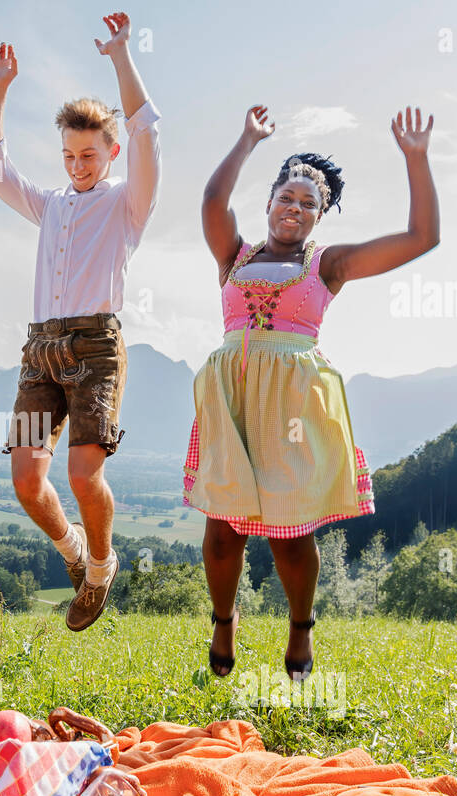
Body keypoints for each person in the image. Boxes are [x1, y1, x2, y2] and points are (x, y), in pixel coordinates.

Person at [186, 104, 439, 680]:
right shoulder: (235, 255)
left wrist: (416, 161)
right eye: (286, 198)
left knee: (289, 539)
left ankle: (301, 628)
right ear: (269, 201)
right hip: (232, 399)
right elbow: (210, 203)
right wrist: (247, 139)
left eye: (308, 204)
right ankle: (224, 619)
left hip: (294, 408)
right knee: (221, 534)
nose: (294, 209)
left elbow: (423, 237)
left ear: (320, 216)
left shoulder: (329, 265)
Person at [0, 12, 160, 632]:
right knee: (28, 483)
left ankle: (103, 566)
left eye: (89, 154)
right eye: (69, 155)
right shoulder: (50, 204)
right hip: (40, 356)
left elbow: (146, 133)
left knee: (84, 473)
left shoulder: (127, 202)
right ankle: (74, 552)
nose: (78, 165)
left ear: (108, 152)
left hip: (94, 350)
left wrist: (120, 57)